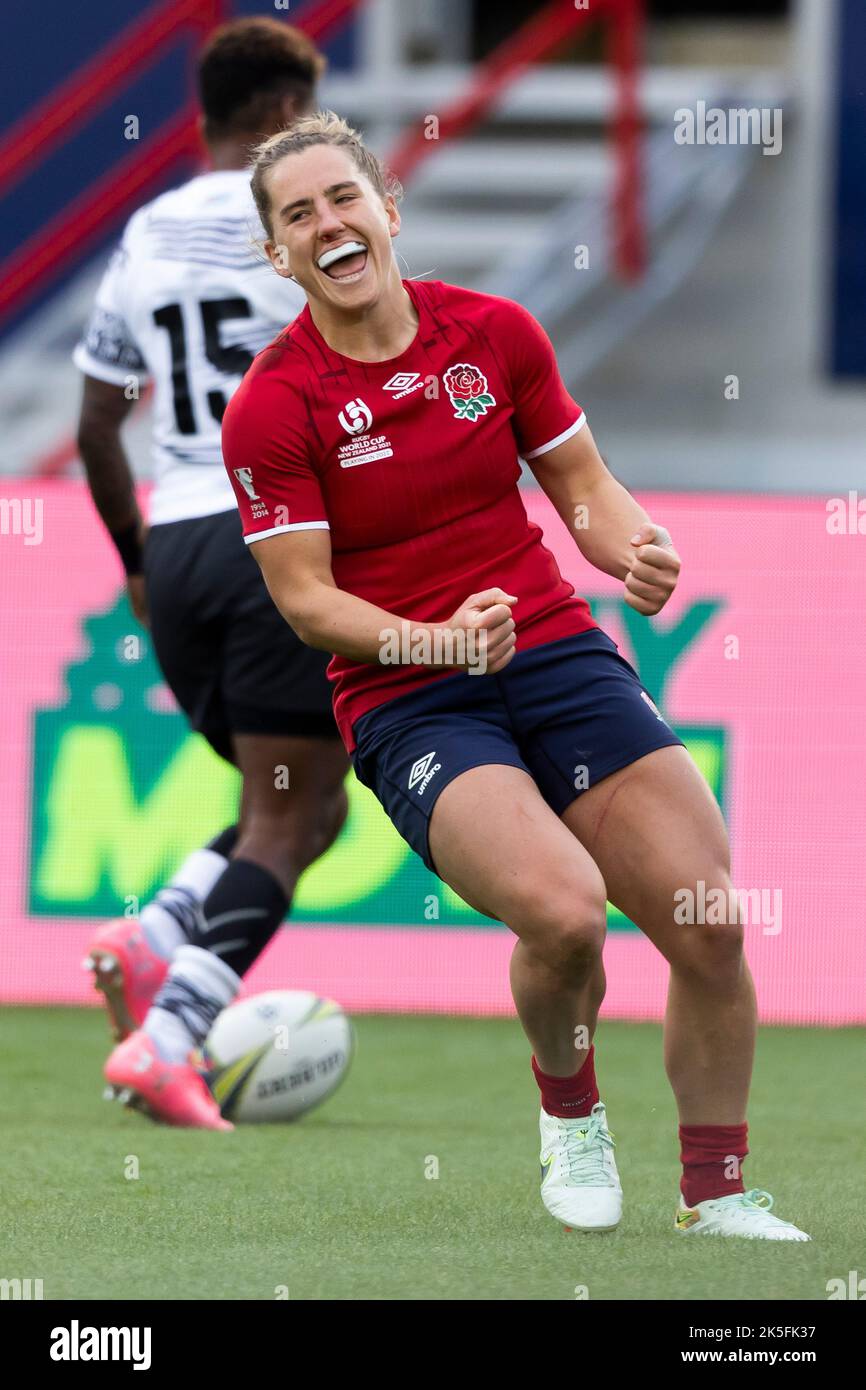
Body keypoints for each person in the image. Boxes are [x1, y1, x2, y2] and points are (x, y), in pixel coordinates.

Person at [221, 110, 809, 1239]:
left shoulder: (493, 335)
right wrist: (432, 638)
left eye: (341, 198)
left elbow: (581, 483)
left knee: (708, 921)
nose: (325, 223)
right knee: (562, 915)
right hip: (408, 694)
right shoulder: (273, 406)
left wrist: (628, 547)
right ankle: (571, 1114)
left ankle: (716, 1190)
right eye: (296, 215)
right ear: (277, 254)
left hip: (552, 651)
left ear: (386, 210)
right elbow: (304, 600)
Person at [74, 21, 348, 1130]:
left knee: (300, 806)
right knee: (289, 821)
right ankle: (170, 1038)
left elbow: (96, 425)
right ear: (284, 114)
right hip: (270, 540)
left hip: (178, 545)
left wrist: (135, 561)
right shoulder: (303, 220)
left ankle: (157, 928)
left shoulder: (145, 230)